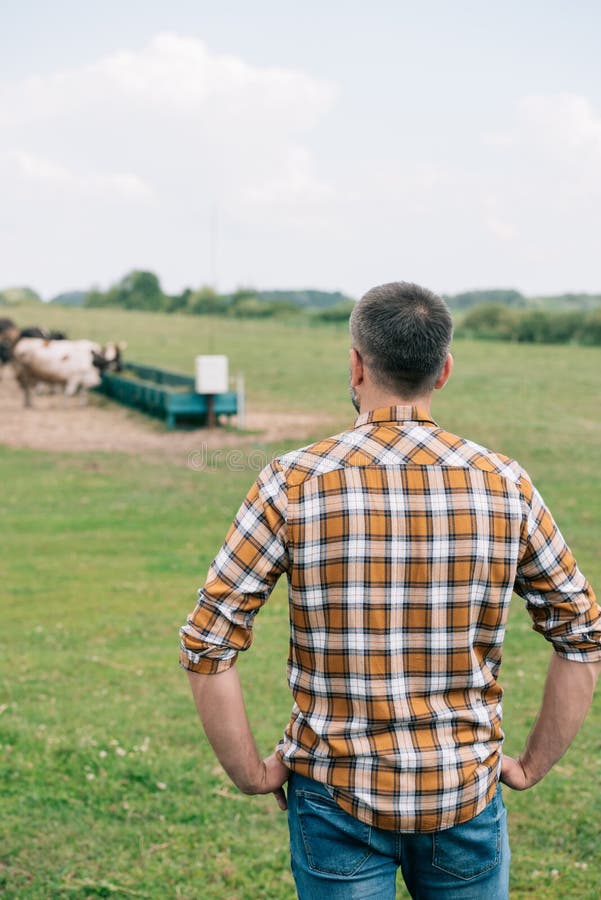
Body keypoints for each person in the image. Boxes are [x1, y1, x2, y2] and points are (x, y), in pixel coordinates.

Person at [179, 281, 600, 899]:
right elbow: (582, 635)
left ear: (356, 362)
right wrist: (532, 765)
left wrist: (250, 773)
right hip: (464, 793)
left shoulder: (291, 482)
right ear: (444, 370)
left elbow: (208, 642)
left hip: (334, 798)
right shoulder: (504, 483)